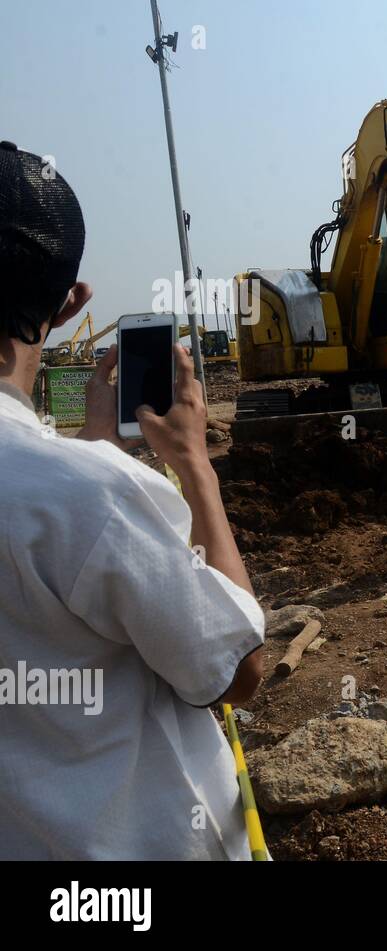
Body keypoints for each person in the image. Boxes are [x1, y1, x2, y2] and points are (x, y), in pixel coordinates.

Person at [0, 142, 265, 859]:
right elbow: (235, 670)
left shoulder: (80, 487)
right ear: (70, 302)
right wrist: (192, 462)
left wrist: (94, 444)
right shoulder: (93, 496)